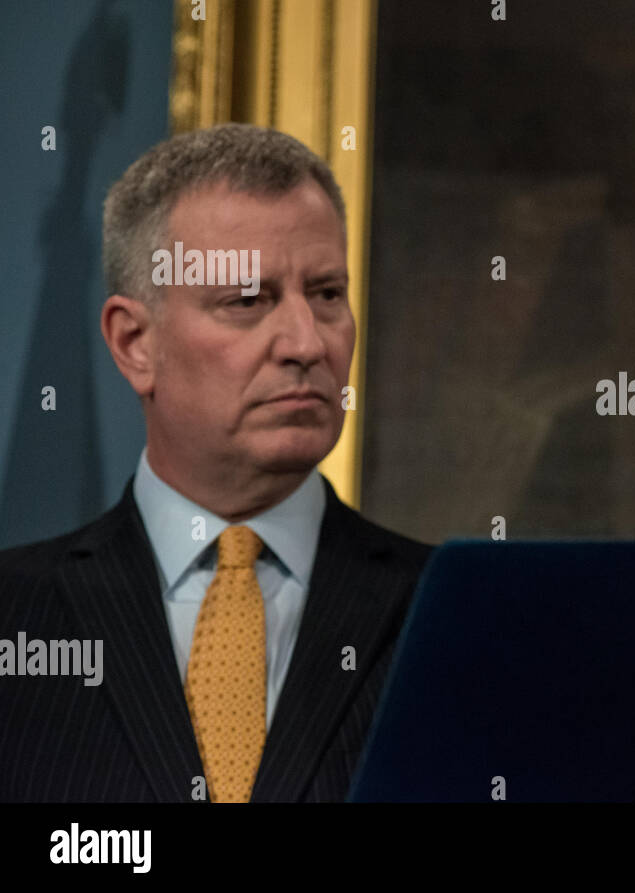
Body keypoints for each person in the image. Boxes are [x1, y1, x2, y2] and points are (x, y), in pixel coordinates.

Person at [0, 124, 432, 801]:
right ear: (135, 342)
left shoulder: (449, 616)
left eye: (326, 293)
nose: (305, 342)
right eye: (247, 301)